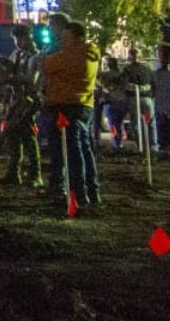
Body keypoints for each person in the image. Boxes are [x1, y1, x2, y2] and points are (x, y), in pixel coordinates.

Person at [39, 19, 101, 214]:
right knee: (84, 148)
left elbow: (45, 64)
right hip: (84, 105)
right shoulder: (91, 54)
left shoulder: (72, 56)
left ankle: (78, 192)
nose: (62, 40)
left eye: (65, 37)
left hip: (66, 106)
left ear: (77, 38)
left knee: (72, 151)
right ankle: (92, 190)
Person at [0, 24, 44, 188]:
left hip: (28, 101)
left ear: (28, 37)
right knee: (12, 138)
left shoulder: (35, 56)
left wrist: (10, 79)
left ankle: (35, 174)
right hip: (14, 100)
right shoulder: (16, 54)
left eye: (20, 38)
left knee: (28, 137)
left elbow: (32, 79)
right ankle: (13, 173)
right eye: (15, 39)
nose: (17, 42)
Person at [115, 46, 158, 152]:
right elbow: (154, 84)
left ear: (130, 57)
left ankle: (141, 145)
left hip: (133, 99)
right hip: (147, 98)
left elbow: (122, 84)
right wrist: (152, 95)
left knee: (136, 122)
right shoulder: (147, 69)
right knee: (151, 122)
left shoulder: (128, 70)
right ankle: (153, 145)